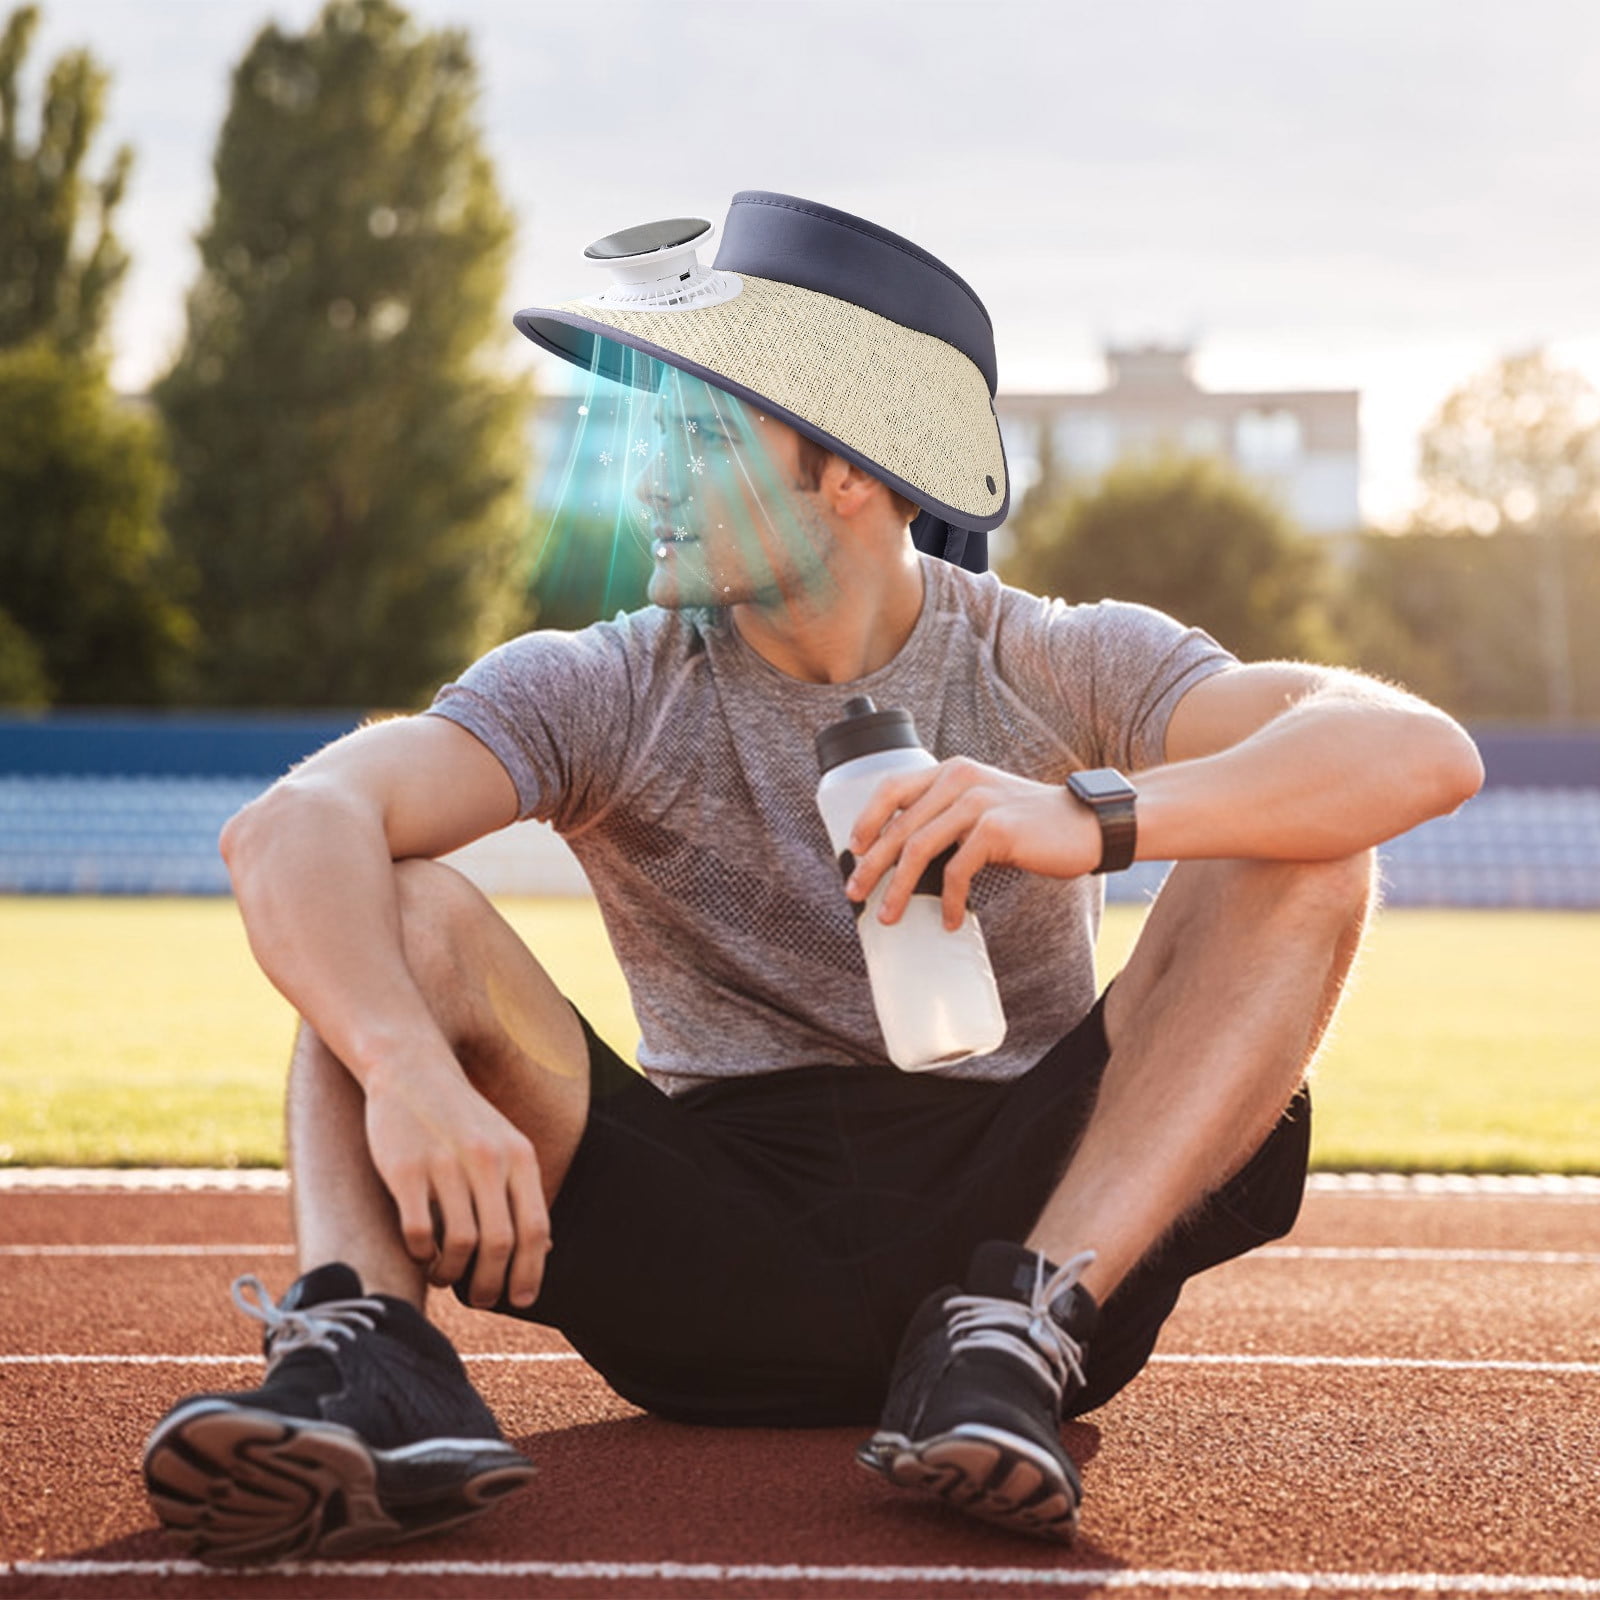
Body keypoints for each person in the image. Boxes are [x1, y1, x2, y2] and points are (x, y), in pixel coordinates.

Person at [141, 192, 1483, 1567]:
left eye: (698, 437)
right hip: (711, 1249)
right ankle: (369, 1359)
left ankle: (1016, 1328)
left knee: (1308, 850)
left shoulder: (1047, 657)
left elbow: (1413, 750)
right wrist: (411, 1074)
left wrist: (1088, 817)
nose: (646, 484)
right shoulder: (604, 681)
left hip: (1025, 1217)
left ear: (850, 467)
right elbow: (293, 824)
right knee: (397, 894)